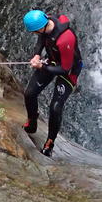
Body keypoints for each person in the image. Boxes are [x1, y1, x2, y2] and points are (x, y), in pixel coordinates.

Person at [22, 9, 83, 157]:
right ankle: (32, 121)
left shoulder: (65, 39)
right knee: (29, 93)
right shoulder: (45, 22)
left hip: (68, 70)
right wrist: (37, 55)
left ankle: (50, 141)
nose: (34, 33)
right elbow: (41, 39)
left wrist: (42, 66)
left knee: (55, 107)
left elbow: (65, 69)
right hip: (53, 61)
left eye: (35, 31)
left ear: (41, 27)